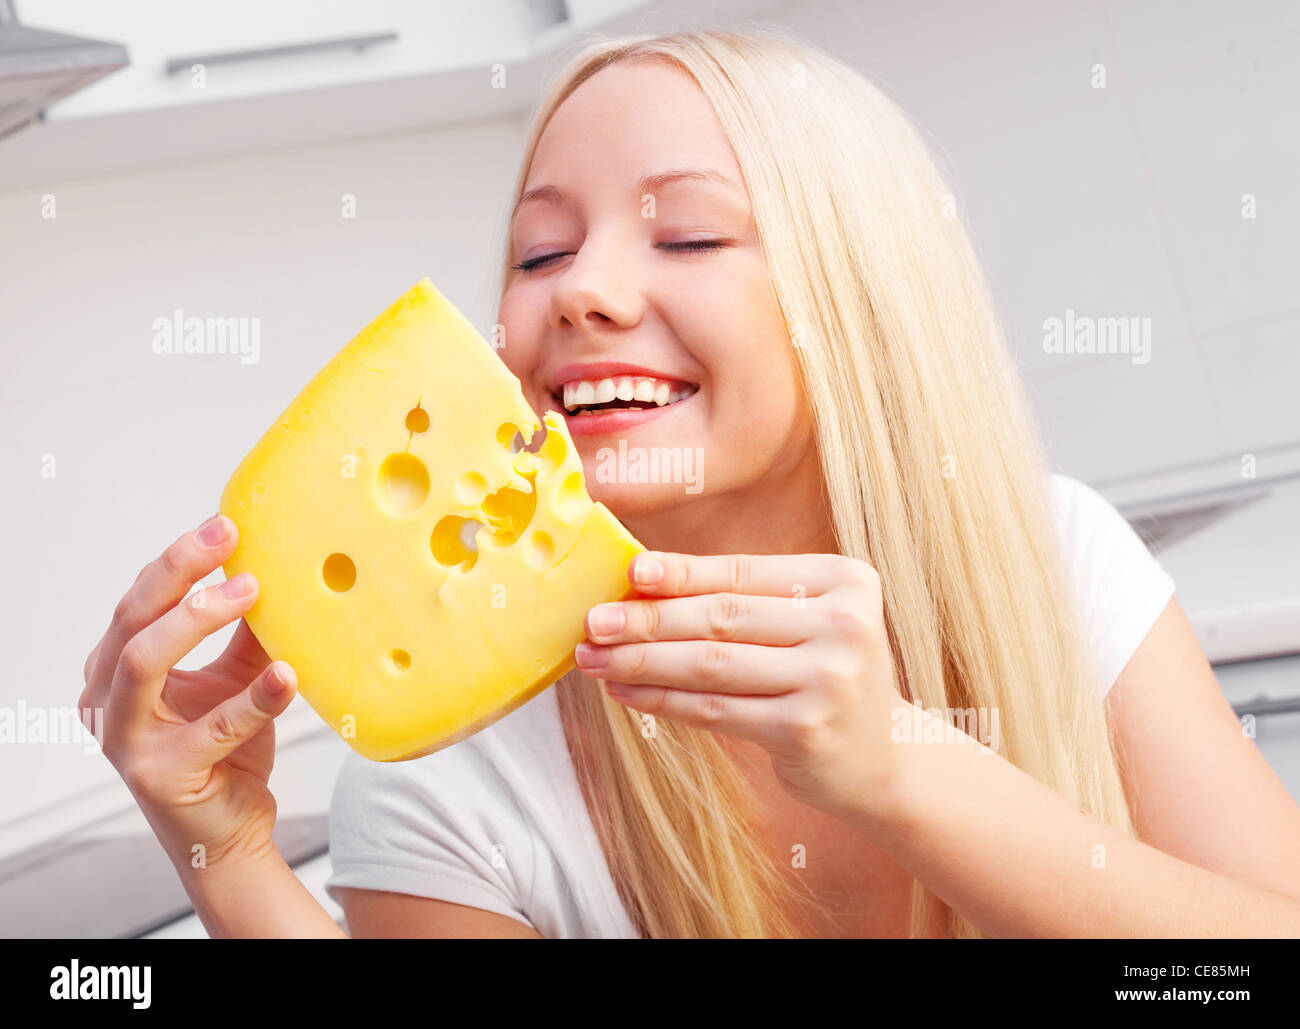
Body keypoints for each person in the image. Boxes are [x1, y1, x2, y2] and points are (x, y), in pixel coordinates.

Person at [83, 27, 1300, 939]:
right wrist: (233, 852)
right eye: (540, 250)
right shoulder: (455, 786)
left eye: (690, 236)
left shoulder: (1058, 565)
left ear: (861, 303)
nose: (580, 290)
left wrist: (898, 768)